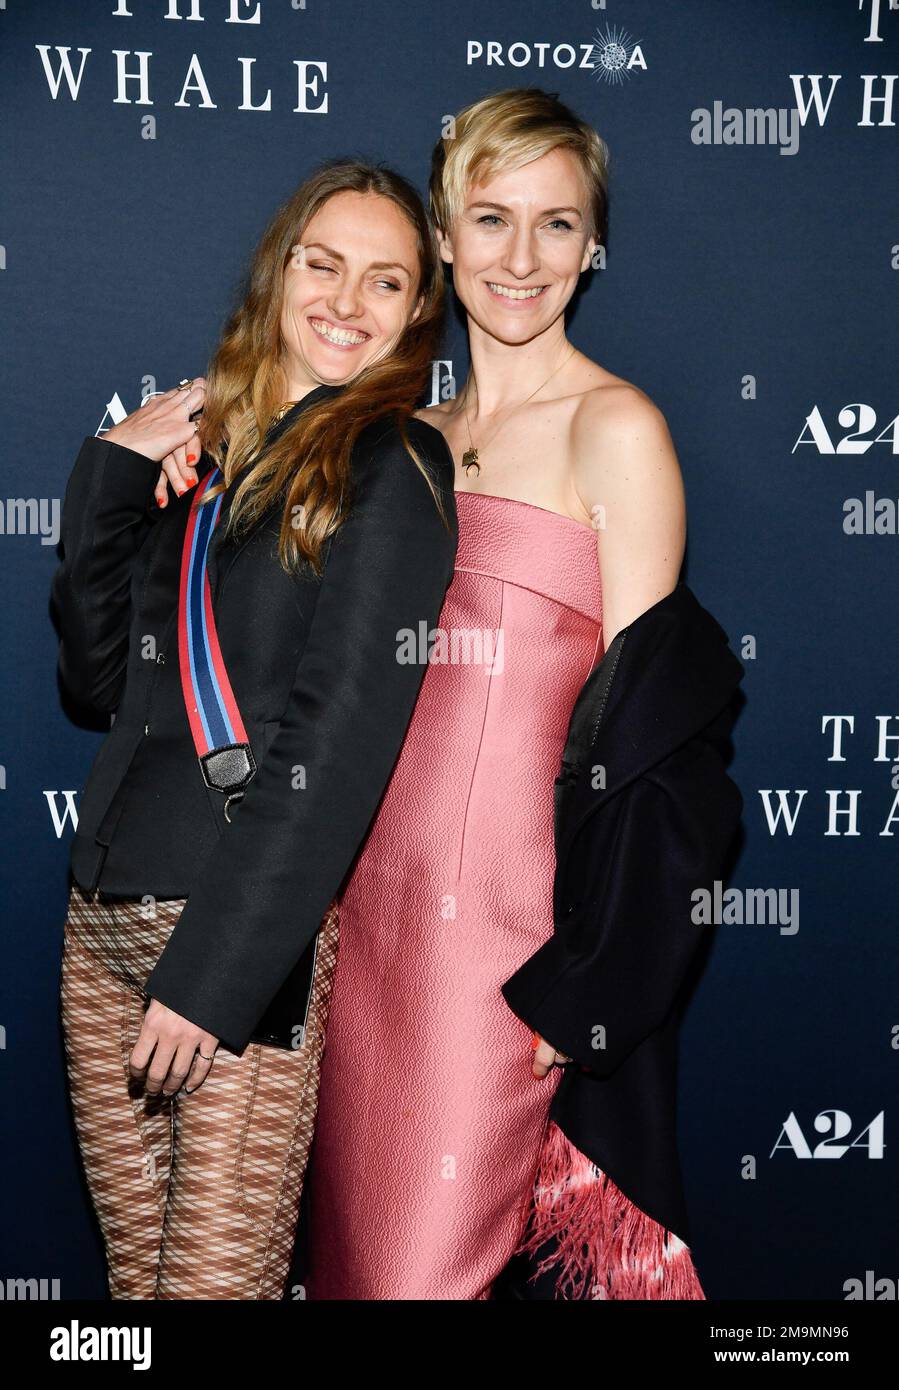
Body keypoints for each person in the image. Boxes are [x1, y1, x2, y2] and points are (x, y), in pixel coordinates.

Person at [305, 90, 740, 1300]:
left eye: (557, 224)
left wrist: (595, 970)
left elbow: (659, 742)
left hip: (501, 945)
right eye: (489, 218)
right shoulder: (402, 437)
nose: (520, 257)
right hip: (358, 932)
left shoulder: (616, 429)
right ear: (441, 233)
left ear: (590, 244)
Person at [50, 159, 457, 1300]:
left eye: (386, 281)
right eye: (323, 264)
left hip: (233, 940)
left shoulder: (395, 464)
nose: (346, 300)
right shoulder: (216, 453)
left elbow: (338, 746)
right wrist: (112, 482)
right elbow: (93, 682)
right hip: (99, 921)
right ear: (278, 273)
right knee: (138, 1296)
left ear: (416, 312)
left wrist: (217, 979)